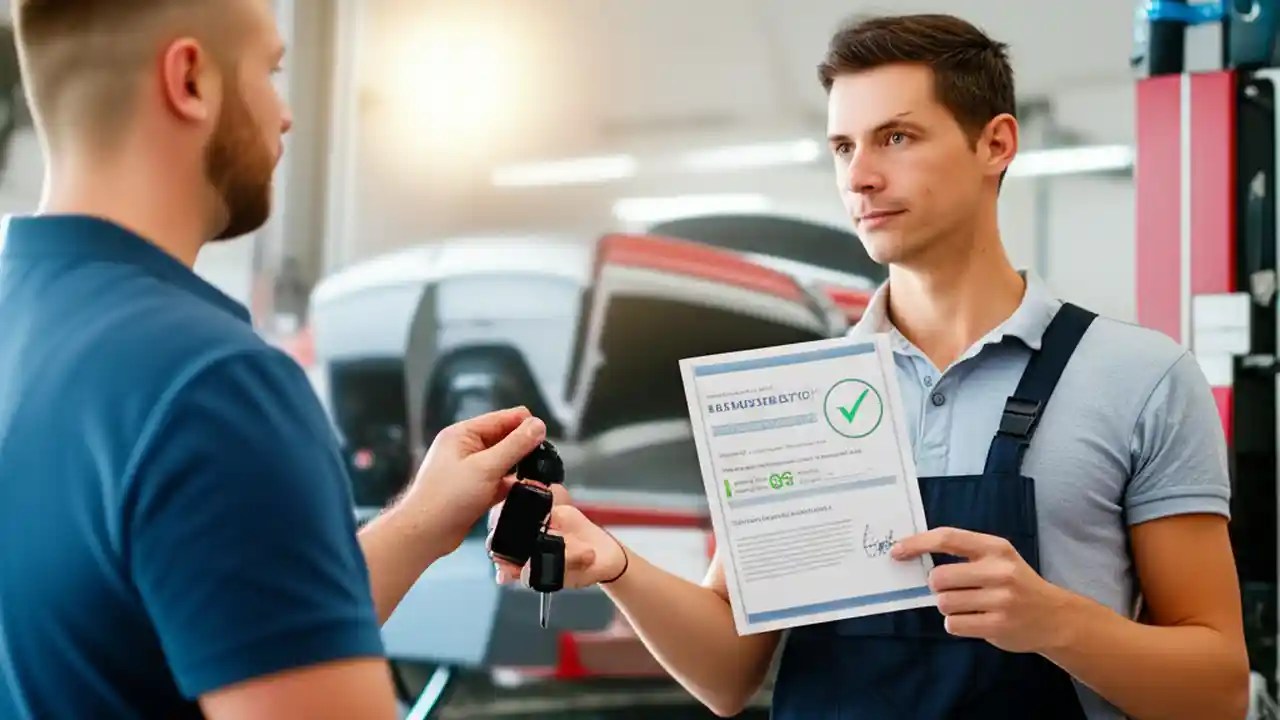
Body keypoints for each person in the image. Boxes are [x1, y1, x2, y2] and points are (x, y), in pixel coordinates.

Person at [493, 13, 1251, 720]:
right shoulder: (793, 396)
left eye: (896, 138)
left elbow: (1218, 690)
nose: (859, 177)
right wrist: (621, 565)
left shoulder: (1140, 379)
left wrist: (1058, 624)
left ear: (996, 144)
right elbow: (730, 673)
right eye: (843, 147)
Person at [0, 1, 547, 718]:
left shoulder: (23, 327)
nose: (285, 115)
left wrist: (418, 526)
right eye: (271, 70)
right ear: (190, 78)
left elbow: (236, 632)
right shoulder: (214, 388)